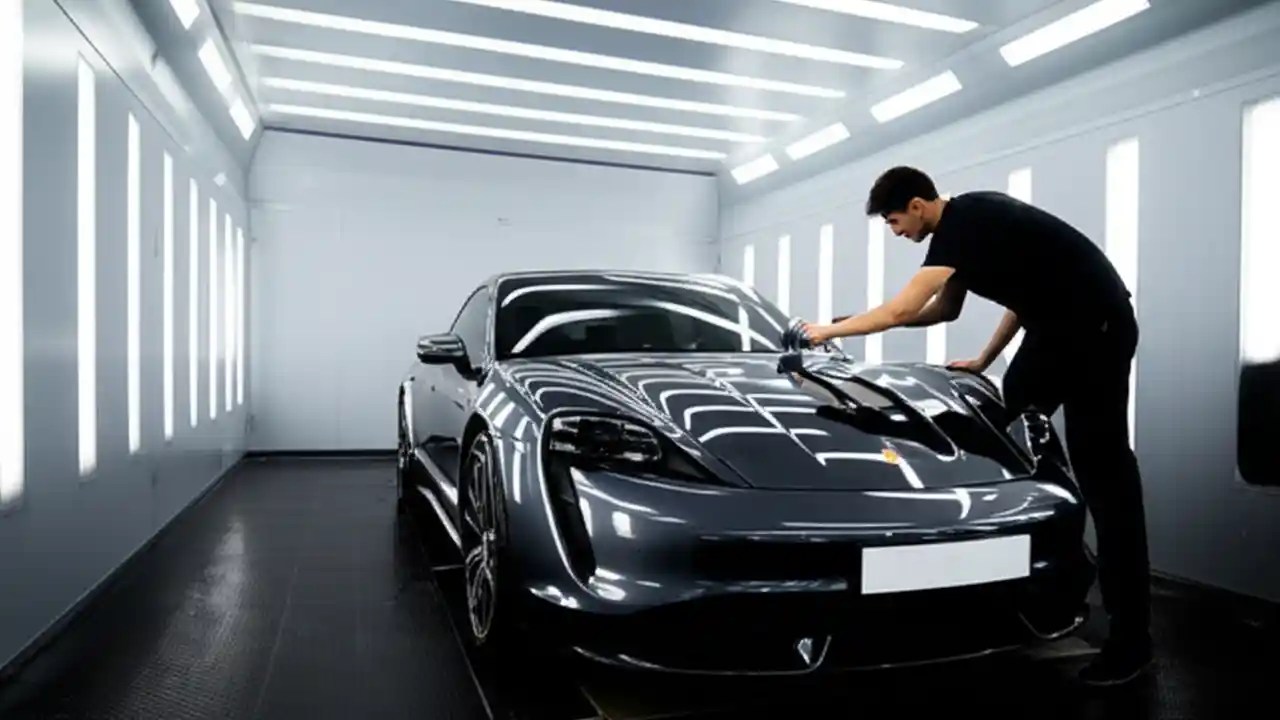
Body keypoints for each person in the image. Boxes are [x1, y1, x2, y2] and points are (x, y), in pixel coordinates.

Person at [800, 166, 1152, 686]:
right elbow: (958, 307)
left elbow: (901, 310)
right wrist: (985, 358)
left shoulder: (963, 225)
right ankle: (995, 568)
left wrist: (827, 330)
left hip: (1095, 328)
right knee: (1002, 419)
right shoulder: (970, 224)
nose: (896, 233)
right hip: (1064, 327)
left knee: (1103, 475)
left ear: (919, 206)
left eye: (896, 222)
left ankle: (1130, 638)